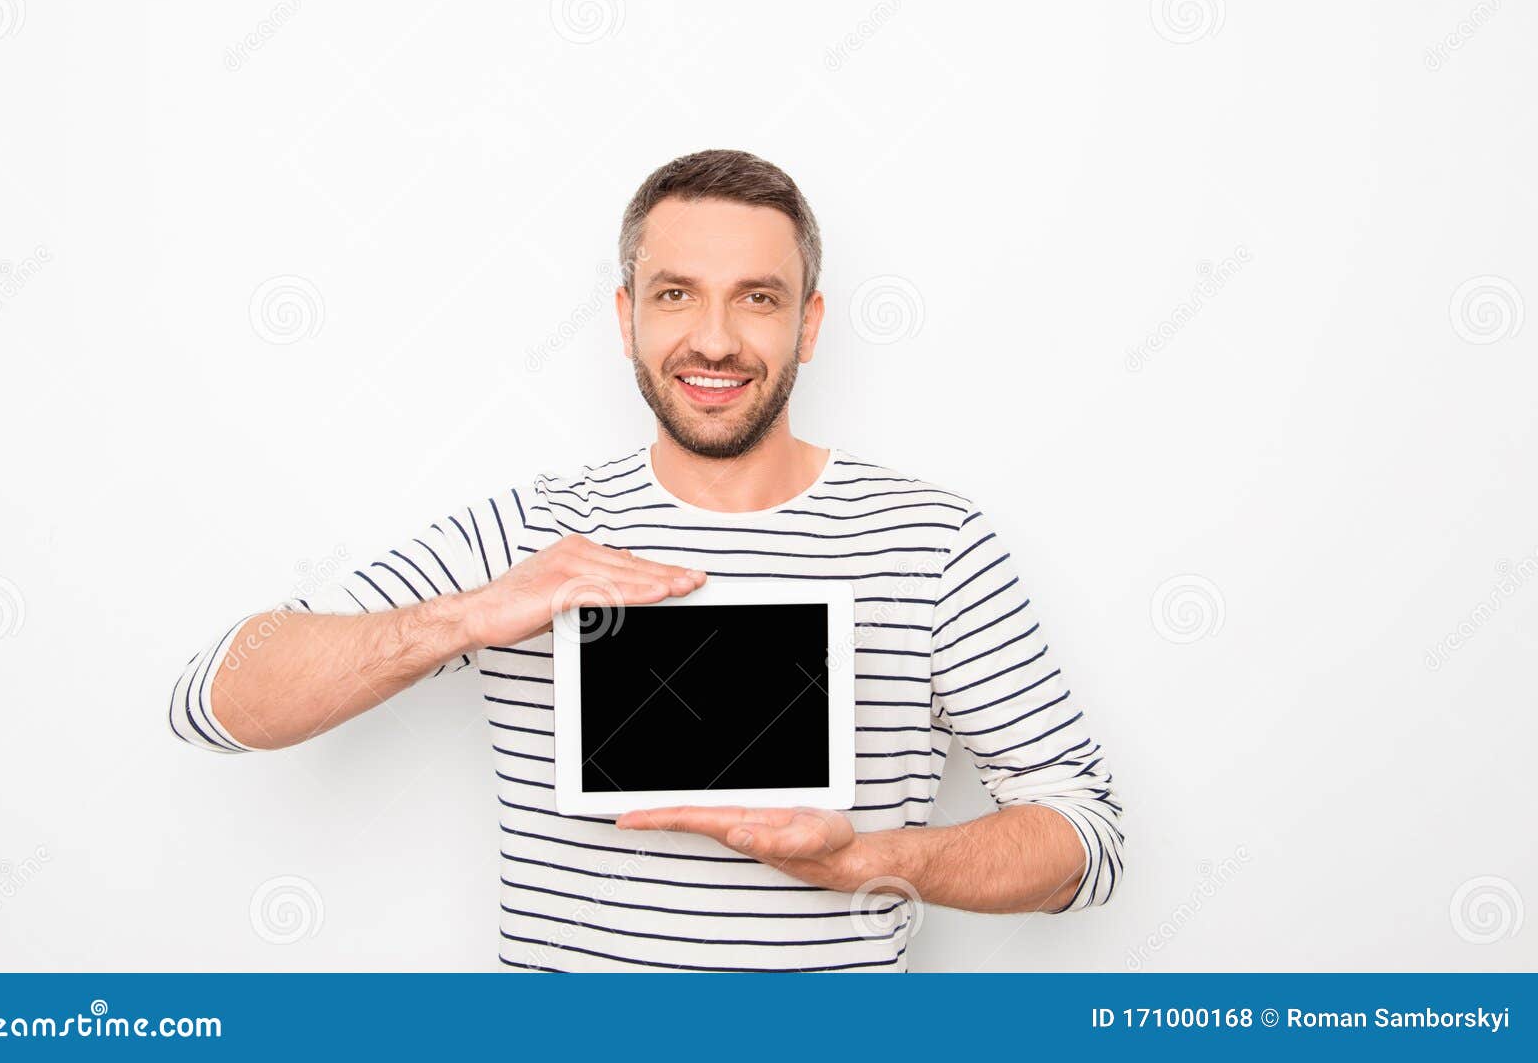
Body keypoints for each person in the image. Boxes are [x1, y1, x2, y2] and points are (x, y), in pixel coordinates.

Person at [169, 148, 1125, 972]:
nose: (714, 339)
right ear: (626, 316)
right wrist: (467, 615)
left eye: (758, 298)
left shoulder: (931, 543)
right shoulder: (534, 533)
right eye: (676, 295)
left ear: (810, 322)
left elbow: (1087, 840)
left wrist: (871, 861)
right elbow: (212, 704)